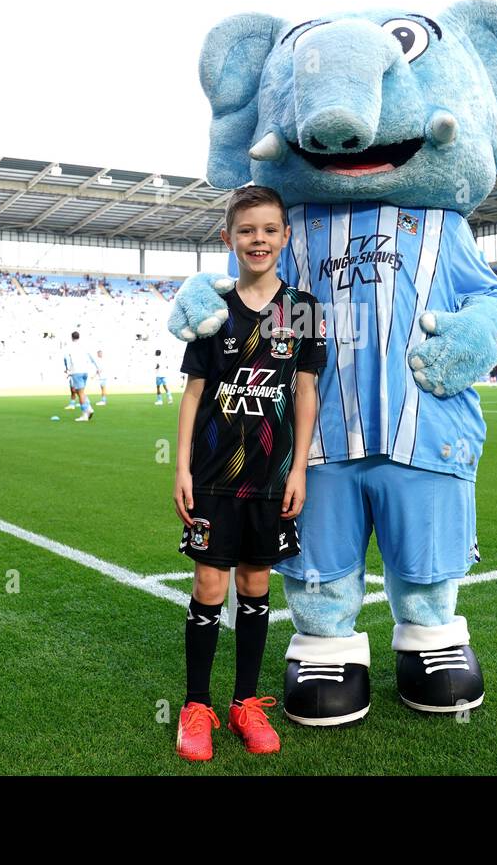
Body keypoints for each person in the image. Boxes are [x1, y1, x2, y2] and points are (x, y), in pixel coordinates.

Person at [171, 186, 325, 762]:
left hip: (270, 476)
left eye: (268, 230)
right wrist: (180, 467)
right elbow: (193, 393)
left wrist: (300, 468)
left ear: (285, 237)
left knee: (255, 586)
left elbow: (305, 391)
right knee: (210, 586)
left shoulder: (302, 308)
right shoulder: (211, 310)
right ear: (228, 238)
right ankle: (195, 706)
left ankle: (245, 704)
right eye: (246, 231)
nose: (257, 240)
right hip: (213, 477)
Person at [64, 331, 99, 422]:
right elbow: (92, 357)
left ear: (71, 338)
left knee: (80, 393)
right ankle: (89, 408)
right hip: (85, 372)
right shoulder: (84, 346)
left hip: (76, 371)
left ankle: (85, 414)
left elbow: (66, 358)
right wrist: (97, 367)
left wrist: (67, 370)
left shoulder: (70, 347)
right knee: (80, 391)